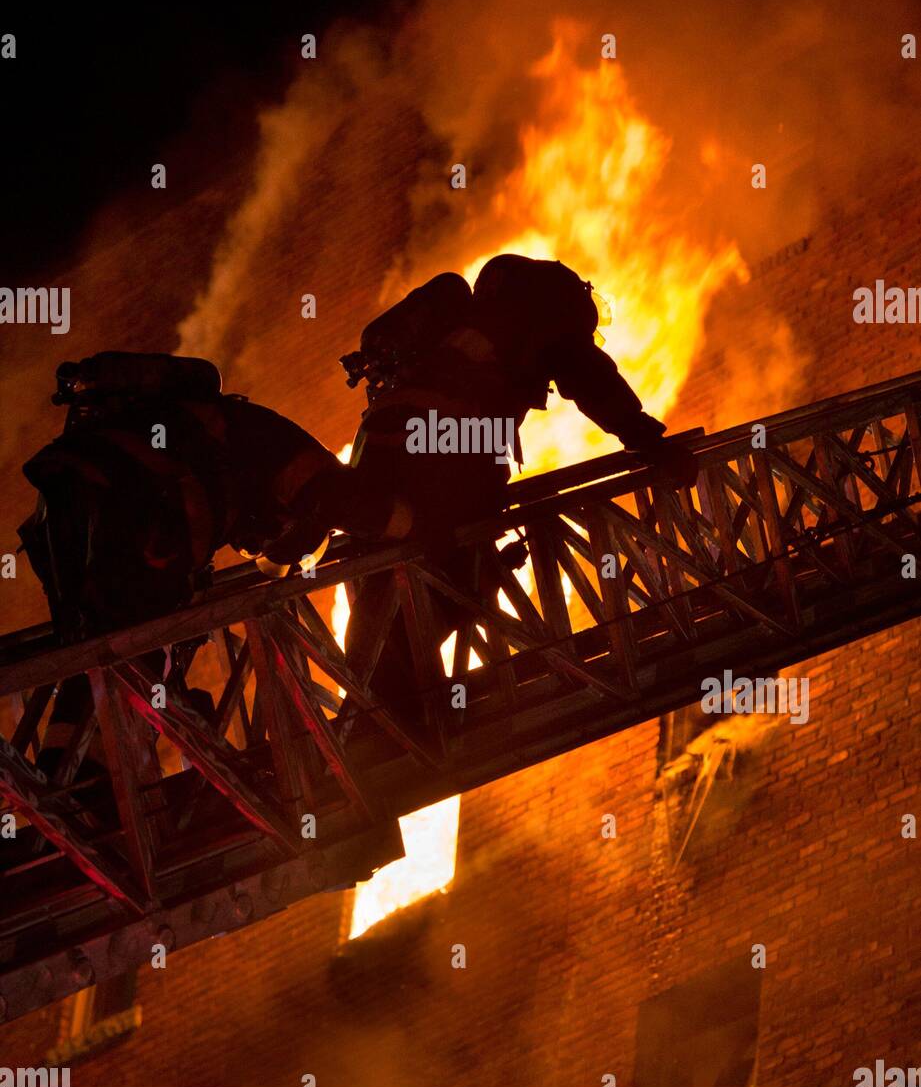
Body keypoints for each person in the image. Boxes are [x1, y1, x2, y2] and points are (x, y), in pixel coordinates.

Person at [268, 254, 698, 744]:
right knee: (454, 576)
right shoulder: (543, 314)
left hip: (378, 447)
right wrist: (651, 443)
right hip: (447, 448)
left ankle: (371, 717)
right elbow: (591, 381)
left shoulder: (452, 329)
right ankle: (398, 717)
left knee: (380, 575)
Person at [18, 350, 347, 793]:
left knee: (94, 657)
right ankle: (117, 796)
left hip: (62, 516)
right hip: (137, 521)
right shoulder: (256, 434)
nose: (254, 547)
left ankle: (76, 791)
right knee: (136, 656)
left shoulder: (177, 432)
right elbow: (338, 492)